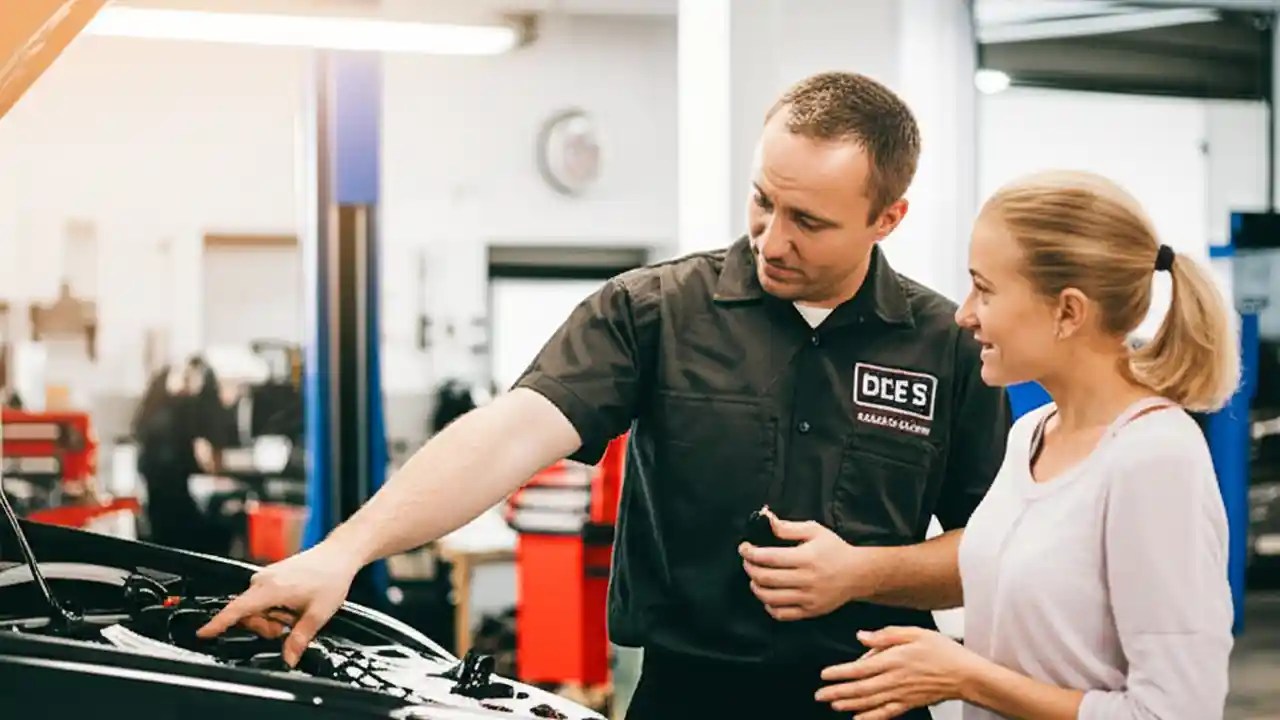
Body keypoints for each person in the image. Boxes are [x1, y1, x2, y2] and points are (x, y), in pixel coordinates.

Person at [197, 71, 1011, 719]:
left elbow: (994, 554)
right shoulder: (656, 312)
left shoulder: (947, 346)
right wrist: (342, 552)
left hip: (870, 699)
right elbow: (510, 433)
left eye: (809, 221)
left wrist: (862, 573)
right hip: (688, 696)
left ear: (887, 218)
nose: (772, 238)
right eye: (763, 200)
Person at [814, 170, 1237, 720]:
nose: (964, 314)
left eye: (985, 290)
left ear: (1068, 312)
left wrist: (965, 676)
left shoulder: (1155, 460)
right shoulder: (1031, 434)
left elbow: (1173, 713)